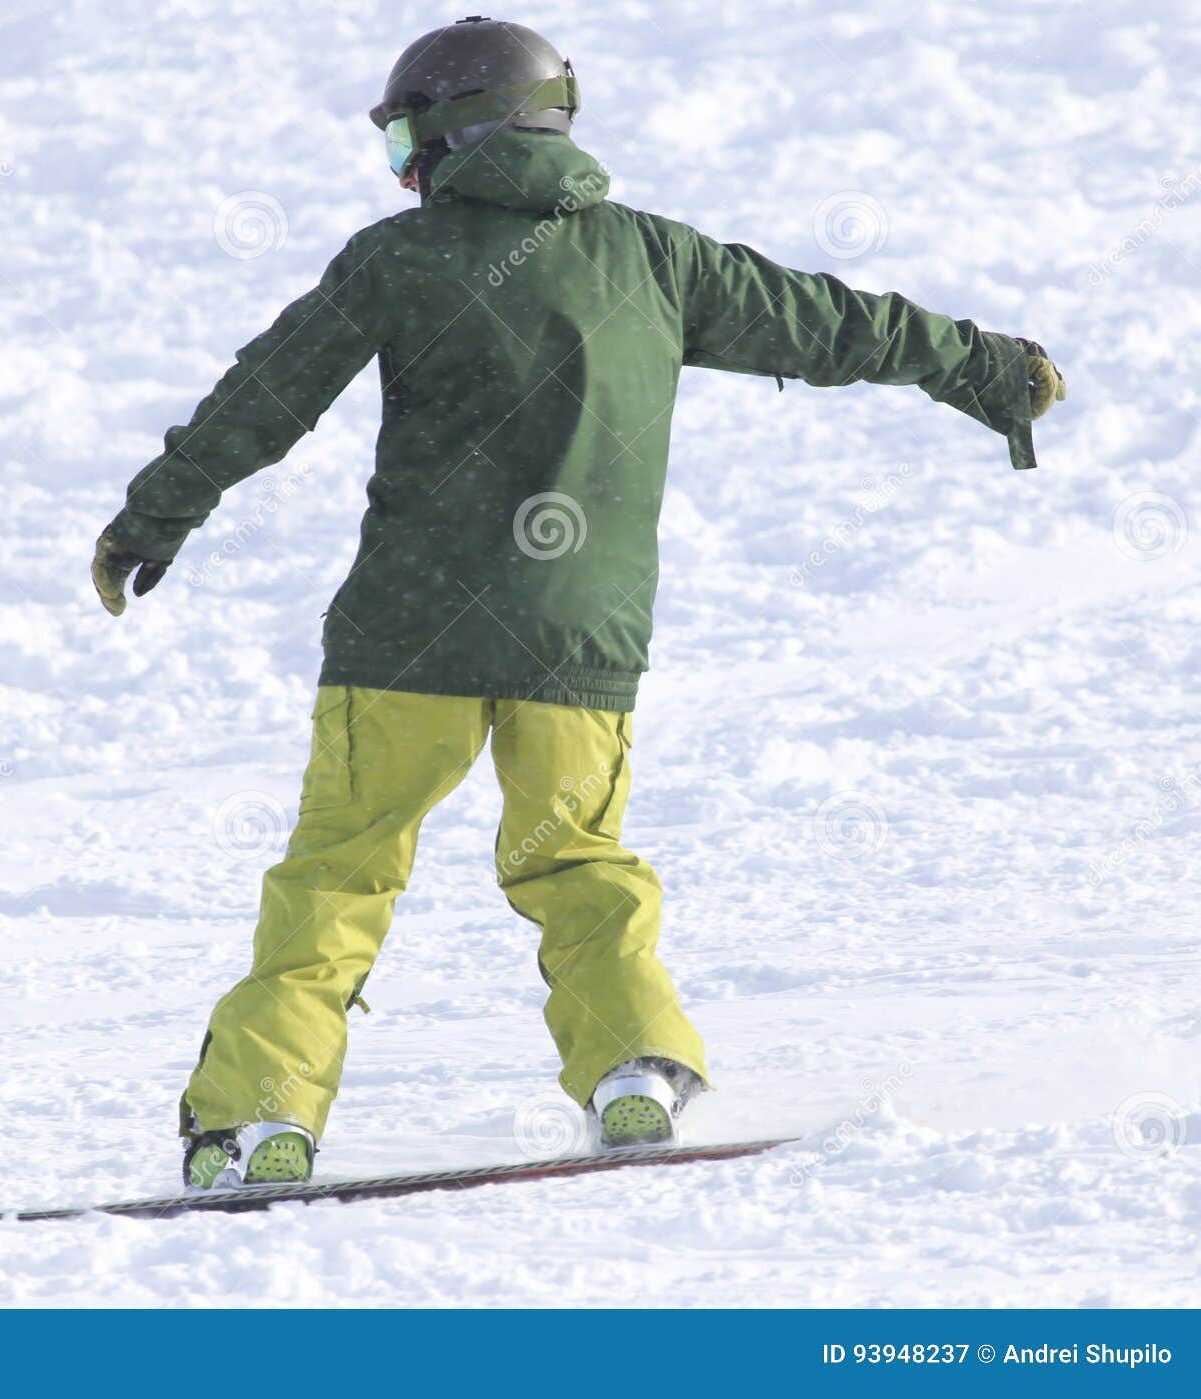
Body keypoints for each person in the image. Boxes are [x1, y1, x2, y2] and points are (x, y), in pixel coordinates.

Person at [92, 16, 1067, 1190]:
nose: (405, 165)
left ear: (460, 128)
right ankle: (636, 1073)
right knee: (577, 863)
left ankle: (258, 1120)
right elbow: (829, 324)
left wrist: (154, 516)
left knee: (340, 874)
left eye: (408, 134)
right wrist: (984, 364)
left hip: (407, 639)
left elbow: (267, 392)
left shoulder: (398, 260)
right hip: (576, 646)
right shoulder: (656, 259)